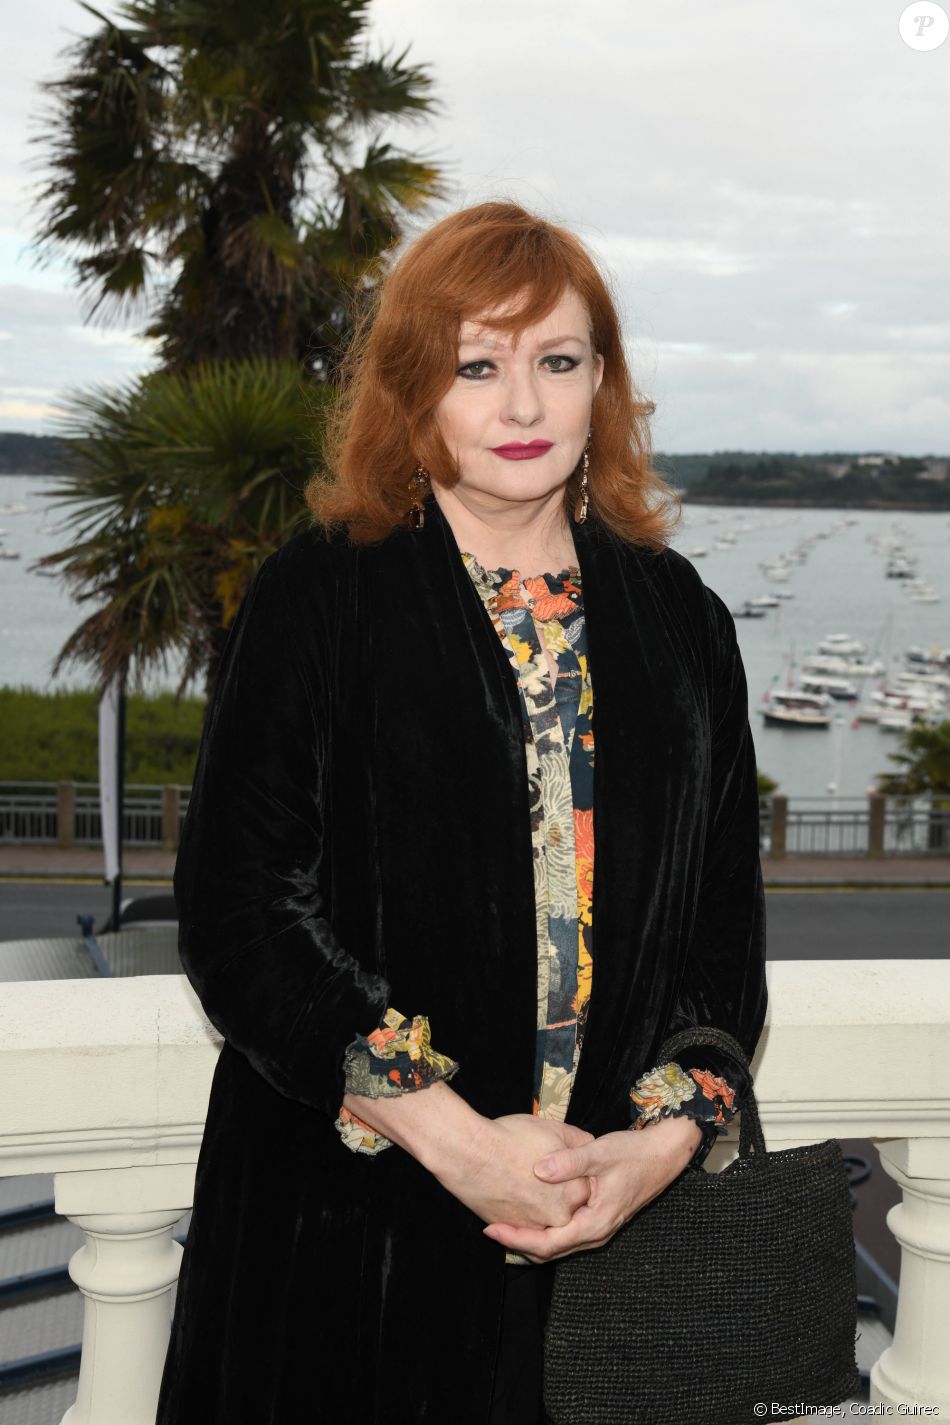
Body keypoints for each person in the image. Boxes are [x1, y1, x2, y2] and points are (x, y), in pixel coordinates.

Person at [157, 201, 767, 1425]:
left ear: (603, 381)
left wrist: (648, 1154)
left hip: (621, 1240)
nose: (523, 407)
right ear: (413, 393)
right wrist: (455, 1140)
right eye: (476, 367)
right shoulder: (320, 593)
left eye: (557, 361)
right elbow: (240, 913)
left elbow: (719, 944)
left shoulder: (679, 618)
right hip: (354, 1227)